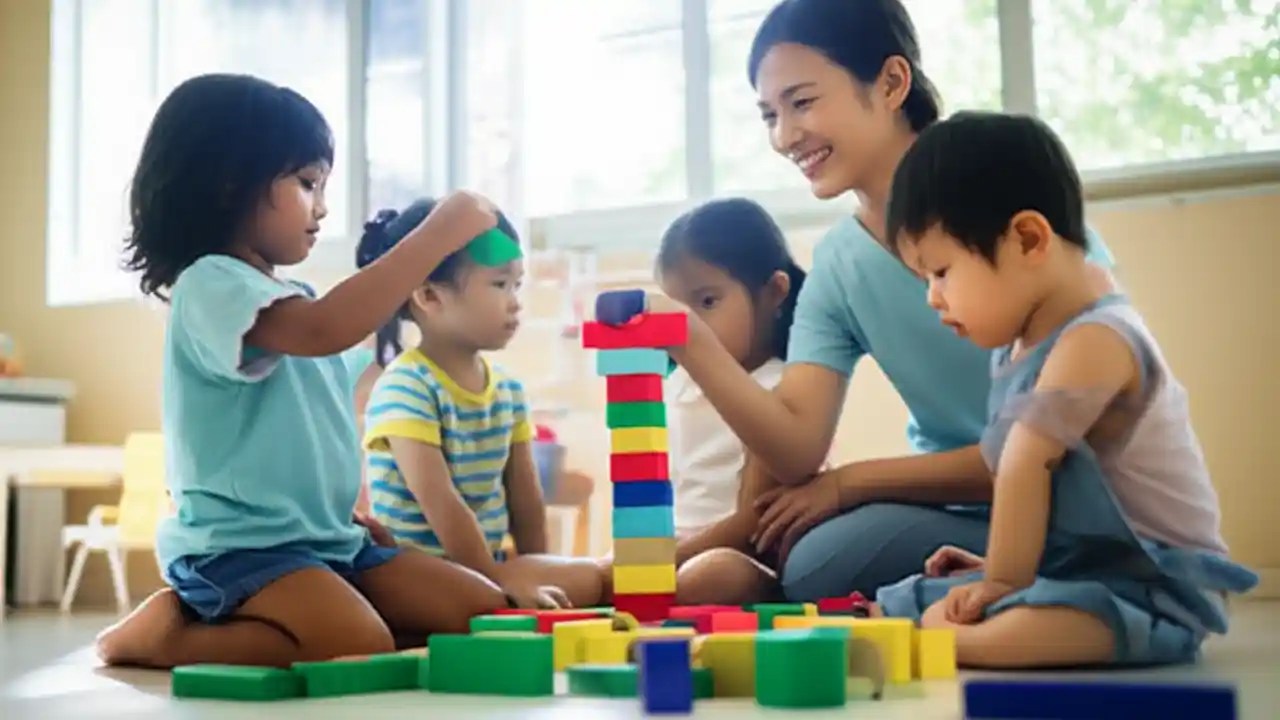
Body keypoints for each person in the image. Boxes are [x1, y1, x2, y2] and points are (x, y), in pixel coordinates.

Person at [642, 0, 1118, 601]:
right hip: (964, 510)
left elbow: (1076, 432)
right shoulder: (841, 264)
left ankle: (1047, 584)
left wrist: (851, 484)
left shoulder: (1005, 189)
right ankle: (1020, 585)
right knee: (815, 562)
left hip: (1076, 495)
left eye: (803, 102)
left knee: (822, 563)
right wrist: (690, 340)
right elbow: (794, 449)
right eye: (769, 115)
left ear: (892, 82)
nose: (785, 136)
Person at [94, 74, 508, 669]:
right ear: (228, 183)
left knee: (481, 611)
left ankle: (332, 612)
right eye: (307, 182)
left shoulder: (294, 298)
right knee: (354, 644)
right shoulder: (212, 285)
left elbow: (311, 427)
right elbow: (323, 330)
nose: (322, 207)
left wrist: (344, 517)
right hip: (239, 550)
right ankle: (165, 638)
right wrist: (434, 234)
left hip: (327, 542)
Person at [871, 110, 1257, 667]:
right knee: (912, 598)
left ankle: (953, 641)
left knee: (1006, 626)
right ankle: (946, 626)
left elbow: (1027, 461)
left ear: (1028, 239)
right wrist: (990, 564)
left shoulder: (1097, 339)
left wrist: (1003, 579)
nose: (932, 297)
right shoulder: (1019, 344)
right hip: (1081, 570)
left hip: (1153, 587)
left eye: (942, 271)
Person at [356, 198, 605, 609]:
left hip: (481, 570)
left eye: (517, 284)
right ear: (430, 297)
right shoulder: (405, 387)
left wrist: (537, 568)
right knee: (583, 582)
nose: (515, 301)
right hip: (417, 577)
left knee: (585, 578)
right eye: (498, 284)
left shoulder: (507, 391)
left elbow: (526, 501)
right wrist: (500, 586)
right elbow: (444, 506)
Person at [642, 198, 810, 605]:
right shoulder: (677, 385)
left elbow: (751, 525)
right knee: (591, 570)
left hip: (742, 555)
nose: (691, 325)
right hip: (678, 544)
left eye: (707, 302)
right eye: (678, 307)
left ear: (774, 293)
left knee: (713, 576)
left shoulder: (779, 386)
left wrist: (664, 561)